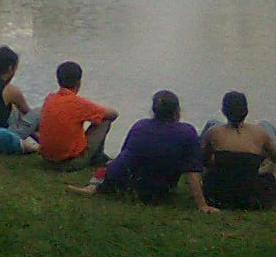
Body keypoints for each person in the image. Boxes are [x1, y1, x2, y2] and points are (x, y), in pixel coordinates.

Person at [68, 90, 216, 212]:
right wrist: (202, 205)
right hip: (160, 190)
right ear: (177, 111)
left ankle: (92, 186)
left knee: (108, 167)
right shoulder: (187, 132)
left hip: (130, 183)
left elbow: (123, 157)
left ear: (153, 111)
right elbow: (192, 173)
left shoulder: (140, 125)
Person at [200, 91, 276, 210]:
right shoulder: (261, 133)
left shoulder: (213, 132)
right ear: (246, 111)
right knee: (275, 166)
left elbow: (204, 160)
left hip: (219, 196)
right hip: (252, 197)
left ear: (224, 111)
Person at [38, 60, 118, 171]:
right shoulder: (78, 103)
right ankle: (98, 159)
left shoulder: (50, 98)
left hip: (47, 159)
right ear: (78, 82)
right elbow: (113, 114)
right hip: (69, 163)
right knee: (105, 121)